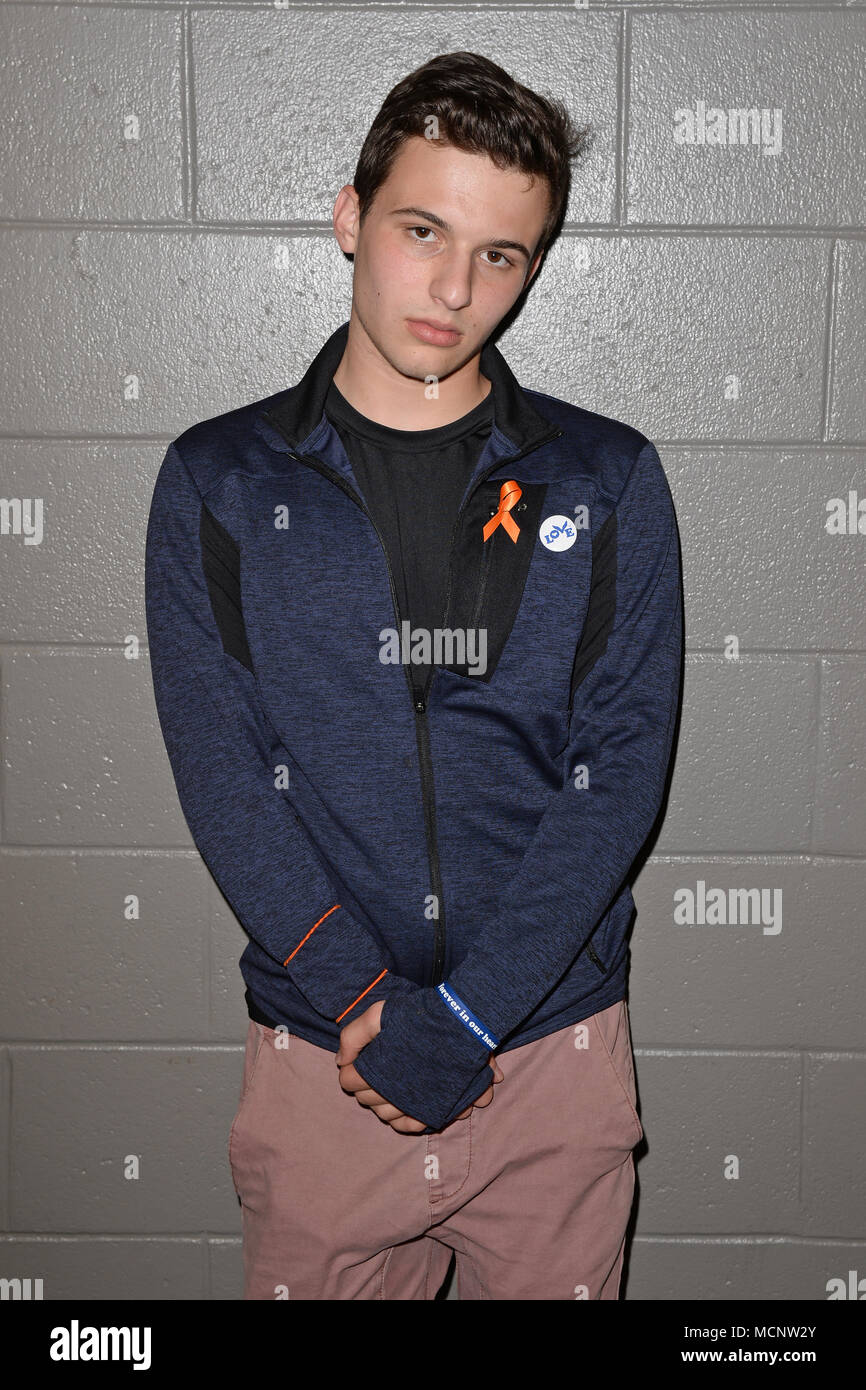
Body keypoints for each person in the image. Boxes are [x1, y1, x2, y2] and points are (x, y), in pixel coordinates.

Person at [144, 50, 684, 1301]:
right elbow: (222, 772)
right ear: (349, 216)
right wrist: (367, 999)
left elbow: (616, 776)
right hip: (324, 1050)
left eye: (501, 254)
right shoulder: (217, 481)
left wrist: (473, 1015)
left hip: (550, 1051)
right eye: (422, 229)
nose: (454, 286)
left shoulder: (602, 481)